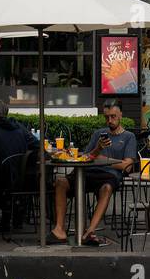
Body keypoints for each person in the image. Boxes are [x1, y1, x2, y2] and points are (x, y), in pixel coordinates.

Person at [49, 100, 137, 247]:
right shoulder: (98, 134)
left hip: (109, 175)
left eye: (113, 116)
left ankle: (89, 232)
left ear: (121, 114)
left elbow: (127, 166)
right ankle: (59, 230)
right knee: (60, 182)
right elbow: (86, 157)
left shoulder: (128, 137)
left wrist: (104, 159)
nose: (110, 120)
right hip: (88, 172)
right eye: (107, 117)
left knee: (107, 188)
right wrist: (97, 149)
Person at [0, 99, 38, 237]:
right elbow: (36, 144)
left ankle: (7, 214)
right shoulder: (19, 127)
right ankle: (16, 211)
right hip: (24, 180)